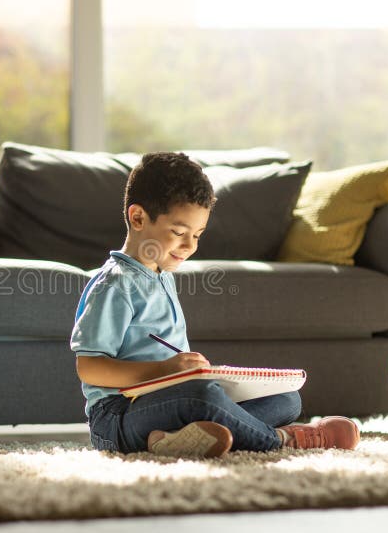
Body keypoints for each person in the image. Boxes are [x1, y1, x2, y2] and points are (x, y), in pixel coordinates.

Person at [69, 152, 360, 458]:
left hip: (169, 402)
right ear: (138, 218)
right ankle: (282, 440)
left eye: (197, 235)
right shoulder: (116, 284)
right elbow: (89, 368)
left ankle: (173, 440)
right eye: (179, 233)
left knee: (287, 399)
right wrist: (165, 371)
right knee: (201, 396)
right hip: (117, 417)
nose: (190, 246)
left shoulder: (161, 274)